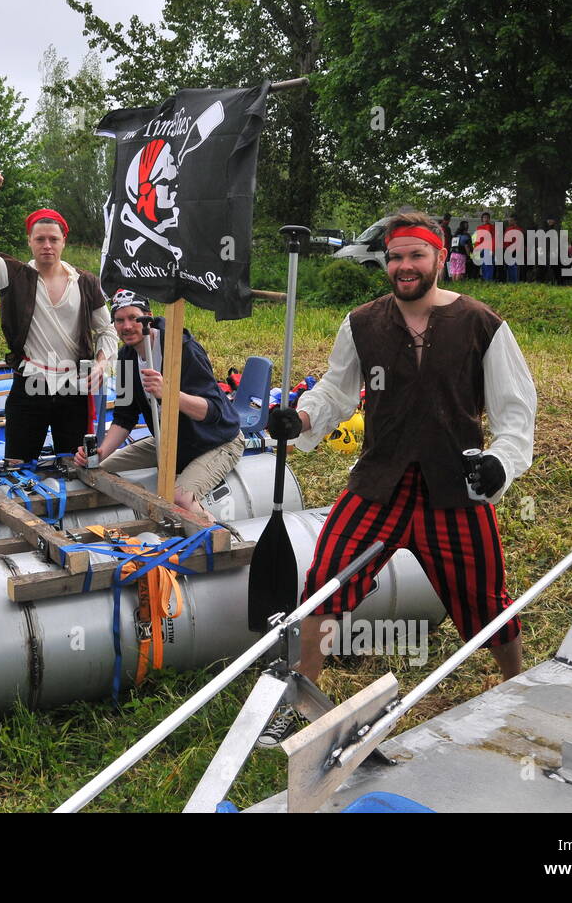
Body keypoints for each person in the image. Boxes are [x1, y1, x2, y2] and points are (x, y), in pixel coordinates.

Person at [267, 211, 536, 698]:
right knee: (327, 582)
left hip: (455, 486)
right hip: (379, 483)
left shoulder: (481, 324)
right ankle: (300, 690)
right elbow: (335, 390)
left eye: (416, 254)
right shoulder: (362, 324)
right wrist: (302, 418)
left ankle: (518, 688)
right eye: (395, 257)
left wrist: (500, 462)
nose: (404, 266)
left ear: (440, 258)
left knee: (484, 597)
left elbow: (515, 413)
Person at [0, 168, 118, 463]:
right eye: (40, 239)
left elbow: (107, 331)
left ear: (63, 241)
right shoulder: (13, 275)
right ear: (30, 241)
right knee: (16, 463)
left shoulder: (86, 282)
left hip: (74, 388)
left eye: (53, 239)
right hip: (29, 386)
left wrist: (101, 365)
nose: (47, 245)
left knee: (75, 464)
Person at [74, 289, 243, 522]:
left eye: (134, 318)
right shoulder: (126, 357)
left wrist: (170, 393)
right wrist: (101, 452)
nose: (127, 326)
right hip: (170, 441)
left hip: (216, 441)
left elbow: (212, 412)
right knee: (99, 471)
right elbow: (124, 417)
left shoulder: (182, 349)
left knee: (180, 500)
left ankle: (215, 539)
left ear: (149, 318)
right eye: (120, 320)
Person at [473, 212, 496, 281]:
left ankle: (489, 280)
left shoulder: (492, 227)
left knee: (488, 265)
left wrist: (493, 249)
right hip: (481, 249)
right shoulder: (479, 227)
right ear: (482, 219)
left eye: (487, 217)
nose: (486, 219)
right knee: (483, 265)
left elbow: (494, 239)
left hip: (489, 248)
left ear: (489, 219)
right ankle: (485, 279)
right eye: (484, 217)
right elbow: (477, 239)